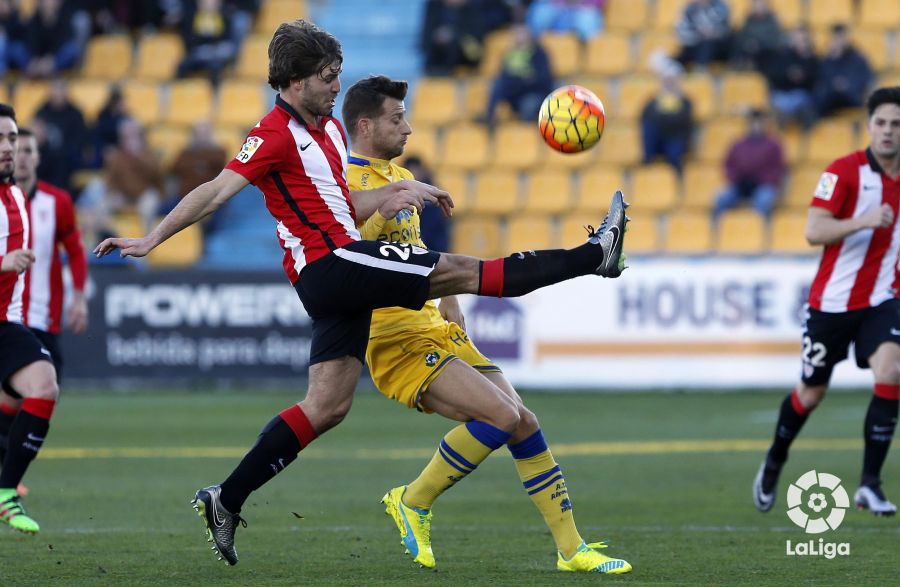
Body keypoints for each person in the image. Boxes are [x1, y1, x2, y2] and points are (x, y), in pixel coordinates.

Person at [93, 19, 629, 567]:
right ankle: (595, 255)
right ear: (297, 81)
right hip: (332, 265)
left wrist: (396, 189)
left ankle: (226, 498)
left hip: (333, 274)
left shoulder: (325, 129)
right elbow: (213, 193)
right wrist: (151, 238)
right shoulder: (274, 134)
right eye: (328, 77)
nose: (335, 87)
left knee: (327, 407)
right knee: (467, 271)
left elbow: (339, 207)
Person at [343, 74, 631, 574]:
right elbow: (349, 254)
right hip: (394, 339)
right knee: (498, 417)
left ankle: (572, 550)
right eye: (397, 118)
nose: (408, 128)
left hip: (434, 326)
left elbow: (416, 258)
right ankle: (412, 500)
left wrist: (451, 302)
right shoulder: (350, 185)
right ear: (365, 125)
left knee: (523, 422)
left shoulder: (397, 176)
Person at [752, 87, 900, 517]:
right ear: (869, 126)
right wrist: (864, 221)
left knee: (891, 371)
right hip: (832, 304)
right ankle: (777, 456)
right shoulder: (846, 171)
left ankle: (870, 484)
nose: (889, 131)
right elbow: (814, 230)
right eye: (882, 123)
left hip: (883, 300)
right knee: (812, 392)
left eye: (896, 124)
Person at [0, 128, 88, 484]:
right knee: (29, 391)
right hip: (9, 315)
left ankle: (7, 476)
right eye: (12, 147)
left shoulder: (57, 202)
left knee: (31, 395)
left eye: (26, 150)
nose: (18, 155)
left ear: (36, 157)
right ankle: (9, 481)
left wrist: (78, 296)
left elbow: (76, 249)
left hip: (42, 316)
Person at [0, 103, 61, 534]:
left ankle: (5, 492)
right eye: (1, 139)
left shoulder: (16, 195)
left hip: (6, 322)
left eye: (12, 138)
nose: (9, 148)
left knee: (39, 388)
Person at [712, 109, 785, 220]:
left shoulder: (773, 145)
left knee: (763, 200)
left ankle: (759, 232)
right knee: (721, 198)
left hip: (763, 184)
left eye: (759, 123)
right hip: (740, 184)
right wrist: (736, 177)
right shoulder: (738, 144)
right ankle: (717, 230)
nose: (756, 126)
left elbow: (778, 168)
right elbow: (729, 165)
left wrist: (762, 177)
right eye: (753, 123)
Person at [483, 24, 555, 126]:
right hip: (515, 92)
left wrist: (522, 81)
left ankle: (527, 134)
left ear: (529, 35)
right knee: (497, 85)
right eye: (516, 34)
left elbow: (543, 78)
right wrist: (521, 80)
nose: (518, 37)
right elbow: (504, 76)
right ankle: (489, 117)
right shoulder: (509, 54)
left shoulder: (539, 53)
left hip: (534, 92)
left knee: (528, 105)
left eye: (522, 33)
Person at [640, 58, 694, 174]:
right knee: (648, 128)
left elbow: (684, 119)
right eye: (667, 81)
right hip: (658, 137)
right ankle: (646, 167)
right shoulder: (654, 100)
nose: (669, 84)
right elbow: (645, 115)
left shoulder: (685, 101)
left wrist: (663, 115)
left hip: (675, 138)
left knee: (675, 147)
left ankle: (675, 174)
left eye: (672, 81)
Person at [763, 25, 818, 129]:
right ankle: (784, 119)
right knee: (779, 101)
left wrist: (803, 75)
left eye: (803, 40)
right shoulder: (783, 54)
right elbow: (774, 75)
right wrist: (788, 75)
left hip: (802, 93)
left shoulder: (812, 59)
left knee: (804, 100)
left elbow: (815, 79)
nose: (800, 42)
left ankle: (797, 117)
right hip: (783, 93)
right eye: (798, 38)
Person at [813, 24, 873, 119]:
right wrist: (833, 58)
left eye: (842, 37)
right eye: (836, 38)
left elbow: (865, 78)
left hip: (852, 96)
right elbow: (822, 79)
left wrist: (847, 85)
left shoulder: (857, 58)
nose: (839, 41)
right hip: (831, 97)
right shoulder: (827, 59)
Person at [675, 0, 731, 70]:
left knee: (707, 44)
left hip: (716, 46)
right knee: (687, 50)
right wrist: (699, 34)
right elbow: (682, 32)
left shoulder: (720, 6)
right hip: (696, 44)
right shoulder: (690, 9)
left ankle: (701, 68)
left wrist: (712, 32)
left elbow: (724, 30)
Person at [526, 0, 605, 42]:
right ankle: (534, 42)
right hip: (558, 7)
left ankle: (587, 53)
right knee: (541, 10)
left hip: (584, 9)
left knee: (587, 18)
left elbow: (598, 2)